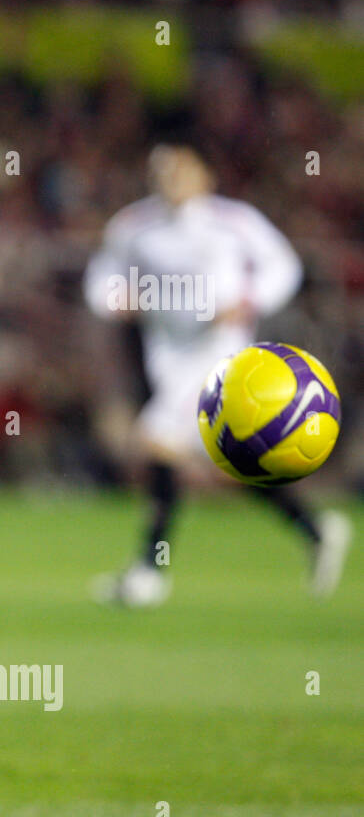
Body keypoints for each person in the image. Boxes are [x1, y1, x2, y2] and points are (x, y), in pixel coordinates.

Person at [84, 143, 351, 606]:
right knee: (233, 461)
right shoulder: (134, 226)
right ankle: (317, 530)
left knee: (155, 442)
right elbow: (102, 277)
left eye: (179, 168)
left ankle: (149, 573)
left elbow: (282, 266)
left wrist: (249, 299)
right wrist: (116, 299)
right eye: (160, 170)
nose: (169, 178)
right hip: (167, 358)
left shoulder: (234, 221)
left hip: (221, 355)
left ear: (204, 174)